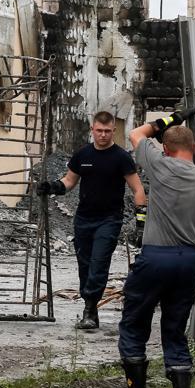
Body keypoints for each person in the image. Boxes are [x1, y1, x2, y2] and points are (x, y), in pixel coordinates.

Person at [116, 109, 195, 388]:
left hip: (155, 258)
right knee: (174, 332)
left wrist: (170, 119)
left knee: (134, 326)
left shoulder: (160, 164)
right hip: (188, 264)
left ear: (166, 148)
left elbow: (136, 134)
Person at [37, 111, 146, 330]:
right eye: (99, 131)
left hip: (109, 220)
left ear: (114, 131)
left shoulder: (121, 157)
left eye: (107, 131)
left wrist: (140, 222)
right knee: (84, 266)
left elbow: (138, 188)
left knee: (98, 264)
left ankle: (89, 310)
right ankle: (91, 308)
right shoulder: (82, 155)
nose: (103, 135)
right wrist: (52, 187)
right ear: (92, 130)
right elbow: (69, 181)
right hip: (84, 219)